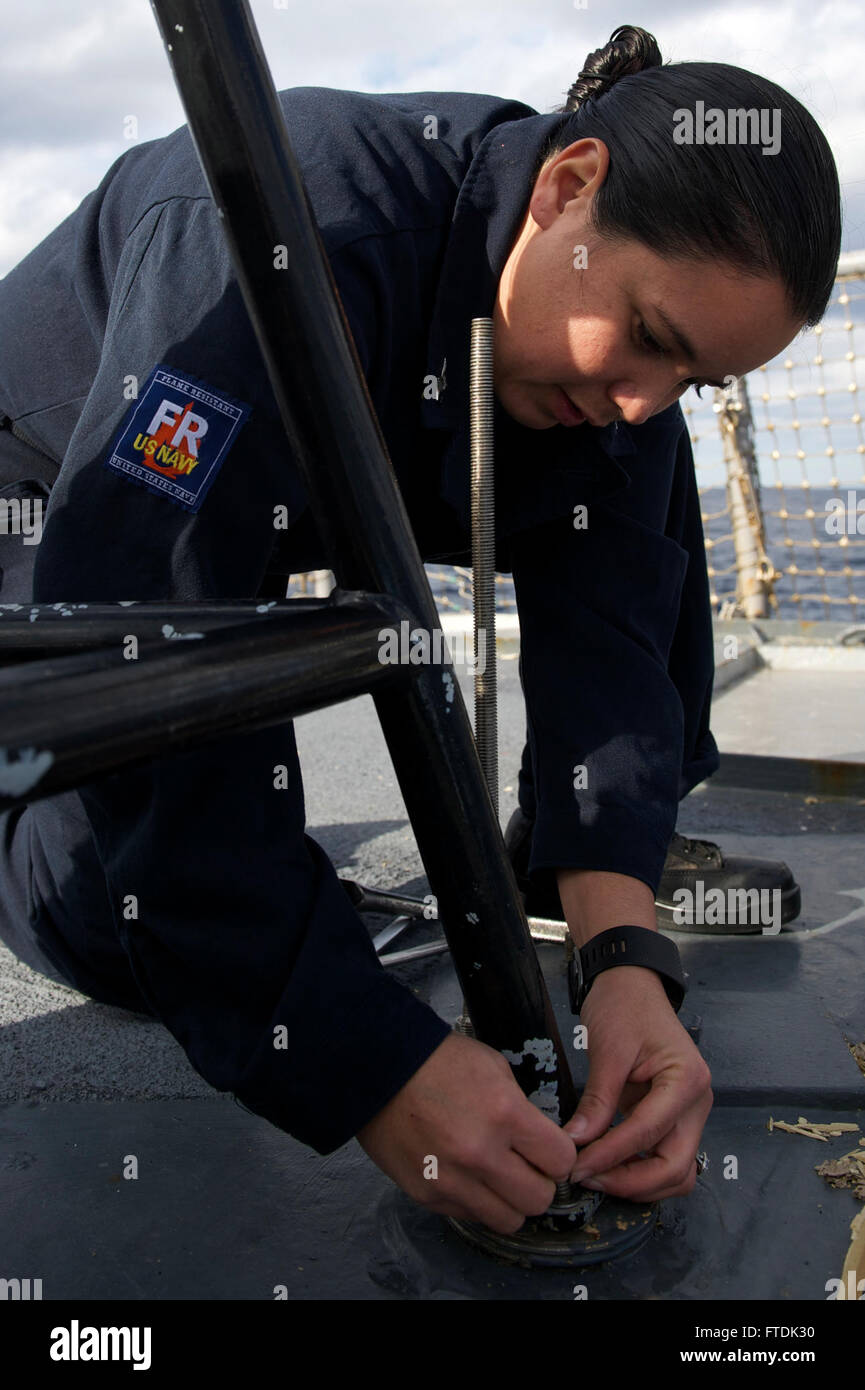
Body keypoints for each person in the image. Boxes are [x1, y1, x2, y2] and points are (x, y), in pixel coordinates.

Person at [0, 25, 841, 1237]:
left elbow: (615, 640)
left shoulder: (609, 377)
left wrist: (622, 953)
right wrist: (371, 1061)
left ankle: (546, 854)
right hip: (50, 509)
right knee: (115, 912)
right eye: (654, 338)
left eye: (694, 381)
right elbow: (142, 616)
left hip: (224, 520)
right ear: (568, 188)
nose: (647, 403)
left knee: (637, 489)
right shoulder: (280, 236)